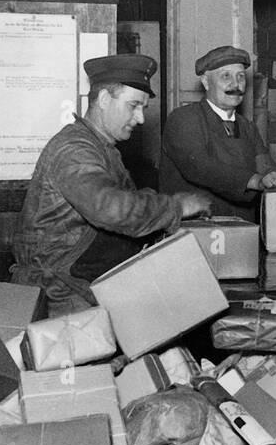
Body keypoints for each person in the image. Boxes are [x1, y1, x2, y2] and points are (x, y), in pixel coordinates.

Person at [11, 54, 210, 317]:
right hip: (59, 295)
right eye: (133, 105)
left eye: (143, 108)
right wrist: (175, 207)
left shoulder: (102, 148)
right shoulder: (75, 150)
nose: (140, 118)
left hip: (82, 285)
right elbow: (112, 208)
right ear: (104, 99)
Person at [160, 45, 276, 219]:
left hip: (242, 229)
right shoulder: (184, 118)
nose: (236, 84)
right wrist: (255, 180)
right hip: (195, 230)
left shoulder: (246, 126)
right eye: (225, 76)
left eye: (240, 76)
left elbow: (264, 166)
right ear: (205, 82)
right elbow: (200, 167)